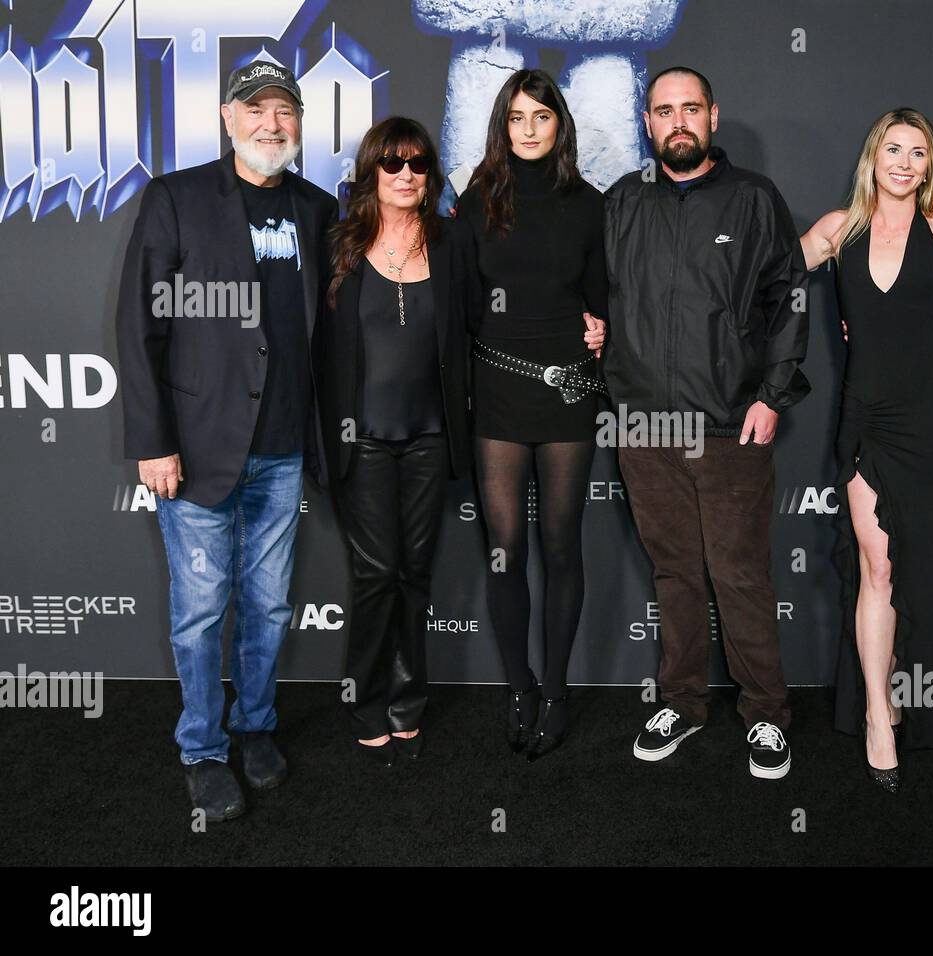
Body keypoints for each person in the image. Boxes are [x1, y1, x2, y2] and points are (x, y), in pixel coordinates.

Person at [115, 62, 338, 820]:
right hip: (198, 447)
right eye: (256, 110)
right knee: (202, 611)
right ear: (226, 116)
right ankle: (204, 749)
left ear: (300, 124)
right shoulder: (177, 197)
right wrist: (153, 440)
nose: (271, 123)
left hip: (282, 448)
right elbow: (138, 325)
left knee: (269, 608)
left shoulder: (318, 208)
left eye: (284, 111)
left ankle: (255, 727)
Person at [605, 66, 810, 780]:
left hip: (729, 426)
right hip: (643, 431)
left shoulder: (754, 199)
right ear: (649, 122)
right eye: (665, 111)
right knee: (676, 575)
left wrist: (772, 395)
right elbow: (600, 298)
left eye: (691, 108)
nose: (678, 121)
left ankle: (766, 715)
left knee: (740, 575)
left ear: (714, 117)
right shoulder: (623, 202)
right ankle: (683, 702)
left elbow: (790, 298)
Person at [801, 108, 933, 793]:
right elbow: (754, 277)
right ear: (873, 157)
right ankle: (876, 712)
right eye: (892, 149)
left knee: (919, 571)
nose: (904, 162)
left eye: (917, 153)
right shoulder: (838, 231)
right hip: (866, 420)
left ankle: (912, 699)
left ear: (930, 168)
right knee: (877, 568)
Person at [455, 69, 607, 762]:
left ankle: (557, 691)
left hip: (569, 390)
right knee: (505, 546)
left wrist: (602, 331)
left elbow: (602, 299)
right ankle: (518, 684)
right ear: (502, 125)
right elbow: (459, 303)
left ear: (559, 125)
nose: (528, 129)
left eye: (541, 117)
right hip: (498, 390)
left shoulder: (589, 204)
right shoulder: (478, 199)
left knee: (561, 544)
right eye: (517, 117)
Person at [315, 118, 476, 766]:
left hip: (431, 439)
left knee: (415, 574)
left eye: (417, 164)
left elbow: (491, 316)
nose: (406, 175)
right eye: (392, 164)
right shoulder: (339, 245)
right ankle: (363, 701)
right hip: (362, 442)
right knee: (376, 574)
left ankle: (409, 702)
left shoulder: (454, 242)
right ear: (371, 172)